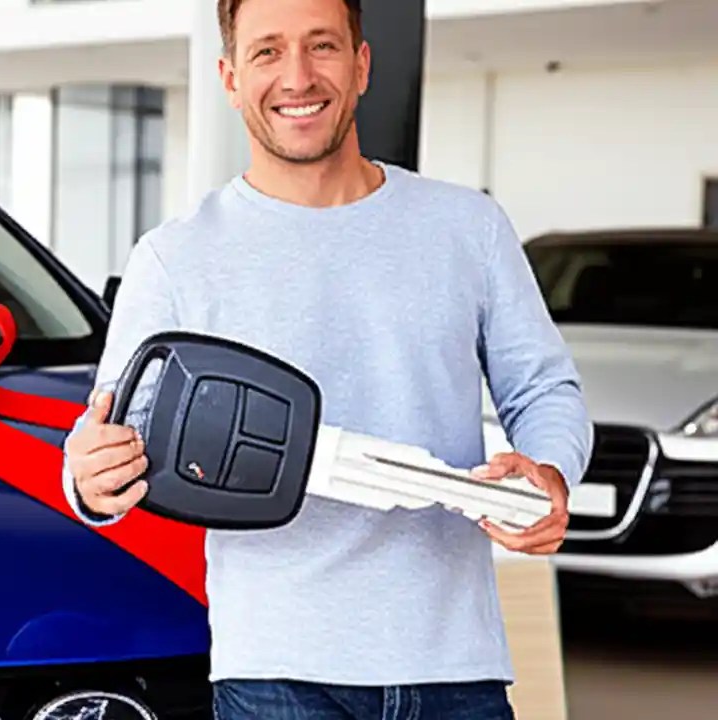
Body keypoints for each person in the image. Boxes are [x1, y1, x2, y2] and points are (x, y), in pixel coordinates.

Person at [60, 0, 594, 717]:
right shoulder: (176, 256)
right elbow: (105, 440)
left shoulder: (467, 228)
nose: (298, 76)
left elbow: (544, 389)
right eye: (267, 52)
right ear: (229, 75)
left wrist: (551, 468)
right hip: (274, 673)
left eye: (322, 46)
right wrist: (92, 481)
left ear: (362, 63)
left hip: (453, 666)